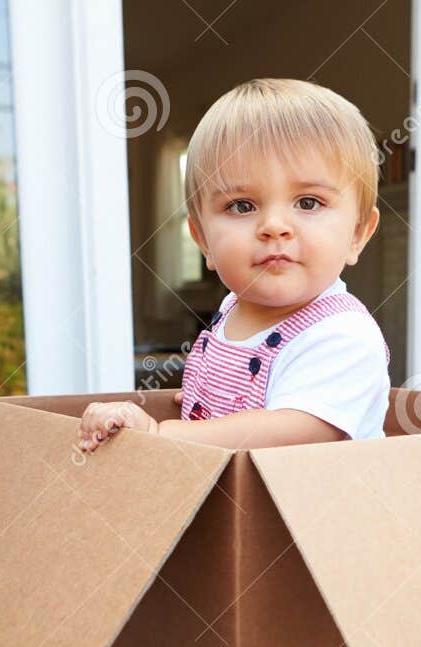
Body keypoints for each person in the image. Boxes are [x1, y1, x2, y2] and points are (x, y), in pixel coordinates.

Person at [77, 78, 388, 452]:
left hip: (315, 508)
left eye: (308, 202)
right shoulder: (231, 311)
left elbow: (295, 432)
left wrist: (160, 435)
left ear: (357, 233)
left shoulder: (343, 335)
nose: (274, 226)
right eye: (242, 205)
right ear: (203, 239)